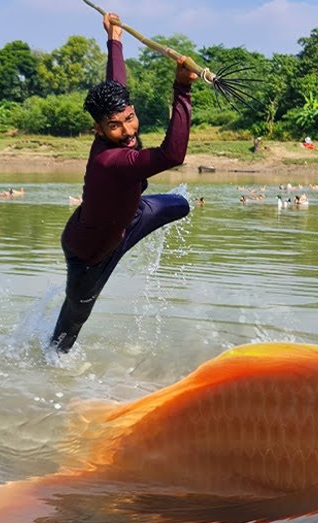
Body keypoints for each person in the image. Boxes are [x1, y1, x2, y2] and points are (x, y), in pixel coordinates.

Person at [49, 11, 197, 352]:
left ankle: (139, 227)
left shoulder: (121, 130)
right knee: (68, 331)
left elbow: (118, 85)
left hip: (132, 216)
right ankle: (46, 364)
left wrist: (114, 39)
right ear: (99, 130)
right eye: (115, 126)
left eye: (130, 118)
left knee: (182, 205)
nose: (129, 131)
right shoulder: (110, 159)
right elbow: (171, 157)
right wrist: (182, 89)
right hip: (89, 255)